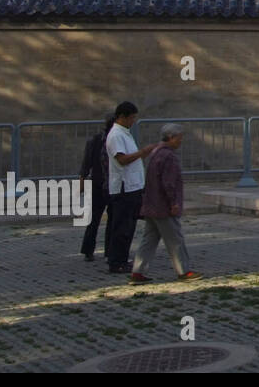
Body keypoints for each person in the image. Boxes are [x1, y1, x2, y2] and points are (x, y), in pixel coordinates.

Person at [130, 125, 200, 282]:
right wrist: (173, 202)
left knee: (149, 239)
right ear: (171, 137)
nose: (180, 141)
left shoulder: (156, 152)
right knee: (175, 239)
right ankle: (184, 271)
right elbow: (169, 183)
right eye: (179, 138)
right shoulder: (168, 156)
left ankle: (138, 271)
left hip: (151, 205)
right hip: (163, 206)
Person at [105, 101, 161, 275]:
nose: (133, 121)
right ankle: (116, 262)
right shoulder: (116, 135)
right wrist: (142, 153)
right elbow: (121, 159)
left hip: (132, 186)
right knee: (122, 227)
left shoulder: (125, 134)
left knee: (128, 227)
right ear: (122, 116)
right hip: (123, 188)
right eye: (132, 118)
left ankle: (122, 258)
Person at [79, 115, 115, 262]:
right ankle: (108, 251)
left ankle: (89, 250)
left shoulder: (95, 140)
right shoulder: (112, 140)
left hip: (99, 183)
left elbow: (86, 163)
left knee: (94, 218)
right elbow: (87, 163)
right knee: (110, 219)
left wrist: (82, 179)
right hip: (108, 184)